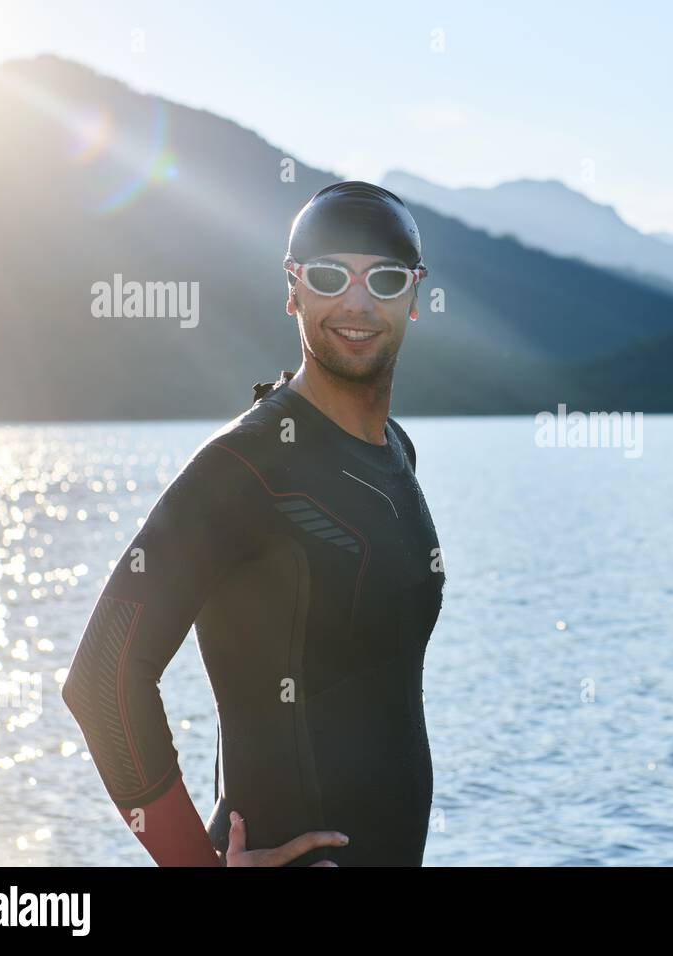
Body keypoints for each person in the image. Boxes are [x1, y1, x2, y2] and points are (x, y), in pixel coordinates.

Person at [62, 181, 446, 866]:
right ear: (294, 290)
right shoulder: (243, 467)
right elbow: (102, 679)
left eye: (384, 280)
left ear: (413, 297)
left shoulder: (396, 451)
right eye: (331, 276)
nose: (357, 303)